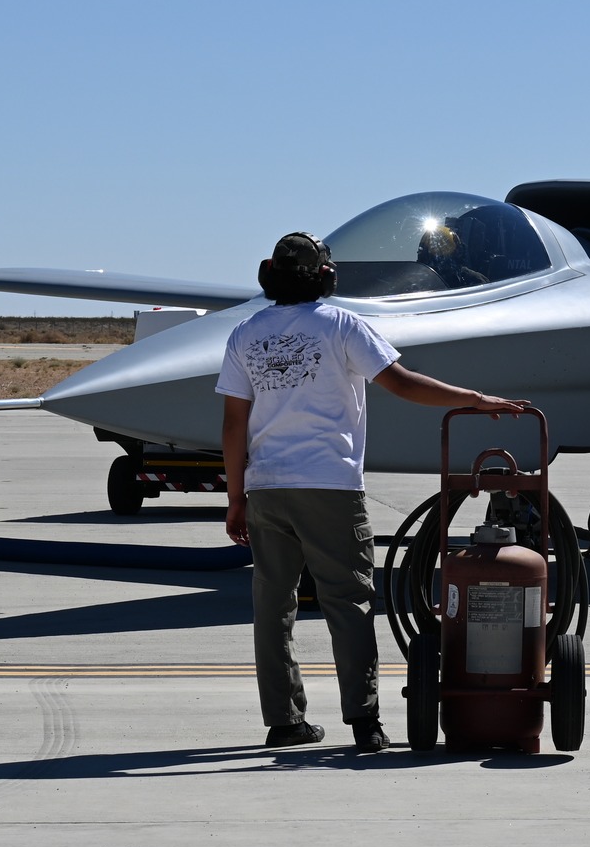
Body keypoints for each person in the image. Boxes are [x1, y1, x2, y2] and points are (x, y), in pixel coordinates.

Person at [219, 231, 524, 753]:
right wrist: (473, 399)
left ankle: (284, 720)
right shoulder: (340, 325)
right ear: (324, 276)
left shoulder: (246, 334)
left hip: (267, 486)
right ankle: (363, 722)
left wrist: (236, 496)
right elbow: (401, 383)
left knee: (273, 608)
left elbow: (233, 422)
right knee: (350, 602)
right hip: (329, 486)